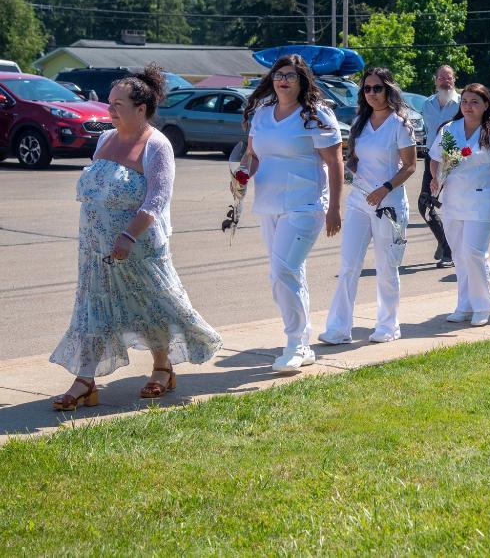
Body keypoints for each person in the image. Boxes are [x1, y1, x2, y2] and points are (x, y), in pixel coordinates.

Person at [50, 64, 222, 410]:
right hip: (95, 248)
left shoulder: (156, 145)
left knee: (152, 307)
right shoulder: (104, 139)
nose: (109, 110)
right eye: (109, 102)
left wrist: (128, 236)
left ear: (141, 109)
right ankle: (86, 380)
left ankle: (162, 367)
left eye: (118, 105)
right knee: (92, 311)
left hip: (139, 247)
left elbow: (157, 199)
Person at [239, 55, 344, 373]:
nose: (283, 80)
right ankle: (304, 343)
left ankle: (296, 344)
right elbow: (252, 155)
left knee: (283, 271)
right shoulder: (262, 113)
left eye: (290, 76)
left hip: (305, 204)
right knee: (285, 274)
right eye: (278, 75)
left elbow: (335, 163)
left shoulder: (316, 115)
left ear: (302, 82)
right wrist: (242, 174)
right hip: (269, 204)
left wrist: (335, 208)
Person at [322, 67, 417, 344]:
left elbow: (410, 166)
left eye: (377, 88)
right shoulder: (360, 122)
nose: (372, 93)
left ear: (389, 89)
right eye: (367, 89)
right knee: (349, 264)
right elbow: (355, 159)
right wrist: (346, 166)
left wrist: (385, 188)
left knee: (386, 267)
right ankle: (339, 328)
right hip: (359, 203)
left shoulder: (400, 123)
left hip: (389, 203)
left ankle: (388, 326)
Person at [429, 84, 490, 326]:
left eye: (475, 102)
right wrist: (436, 179)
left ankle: (481, 305)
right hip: (453, 201)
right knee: (459, 254)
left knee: (474, 252)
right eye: (465, 101)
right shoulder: (449, 129)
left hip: (484, 202)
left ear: (486, 105)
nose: (468, 106)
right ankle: (464, 304)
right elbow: (435, 160)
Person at [418, 65, 461, 268]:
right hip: (431, 158)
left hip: (456, 160)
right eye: (442, 77)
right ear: (435, 80)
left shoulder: (463, 103)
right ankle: (444, 242)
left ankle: (449, 250)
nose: (445, 81)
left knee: (451, 206)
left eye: (449, 77)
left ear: (454, 80)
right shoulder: (427, 104)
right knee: (424, 204)